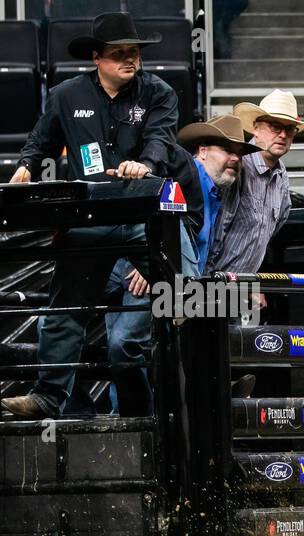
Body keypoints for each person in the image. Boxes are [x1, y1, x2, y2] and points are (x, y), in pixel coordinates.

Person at [2, 12, 178, 420]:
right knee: (65, 310)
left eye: (134, 52)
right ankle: (48, 395)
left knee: (187, 290)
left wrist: (145, 165)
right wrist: (28, 163)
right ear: (97, 57)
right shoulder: (66, 95)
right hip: (90, 216)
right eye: (119, 53)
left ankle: (196, 387)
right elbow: (40, 140)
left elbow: (161, 140)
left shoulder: (159, 93)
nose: (130, 60)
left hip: (145, 212)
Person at [97, 114, 255, 416]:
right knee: (127, 344)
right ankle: (193, 401)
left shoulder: (216, 190)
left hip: (172, 281)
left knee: (138, 345)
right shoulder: (182, 176)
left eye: (239, 154)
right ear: (203, 150)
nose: (235, 159)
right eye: (228, 150)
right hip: (149, 275)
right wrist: (148, 264)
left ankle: (196, 398)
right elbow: (131, 216)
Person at [209, 89, 304, 280]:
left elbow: (264, 237)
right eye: (275, 126)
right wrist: (203, 282)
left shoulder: (281, 176)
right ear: (256, 128)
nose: (282, 135)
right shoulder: (236, 166)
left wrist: (254, 281)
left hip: (239, 283)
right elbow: (213, 230)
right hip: (213, 280)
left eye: (289, 129)